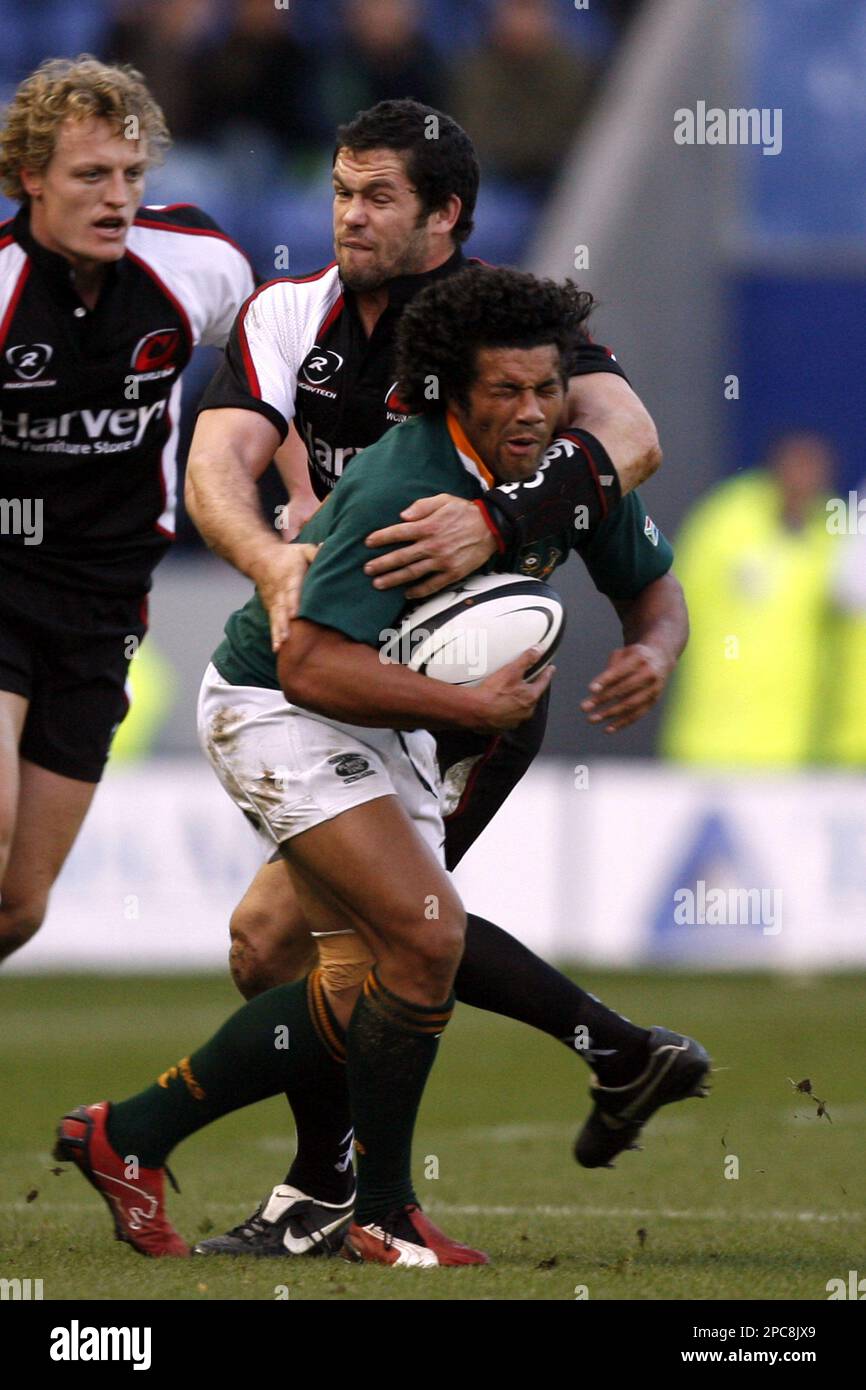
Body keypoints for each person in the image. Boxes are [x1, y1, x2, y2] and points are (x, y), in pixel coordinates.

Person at [56, 266, 710, 1267]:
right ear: (452, 389)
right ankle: (383, 1211)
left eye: (547, 391)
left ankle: (134, 1135)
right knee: (422, 937)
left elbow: (652, 590)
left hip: (394, 720)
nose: (533, 413)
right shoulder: (407, 489)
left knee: (344, 964)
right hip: (278, 707)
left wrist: (650, 652)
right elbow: (306, 663)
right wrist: (471, 706)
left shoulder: (563, 478)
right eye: (506, 392)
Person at [183, 98, 684, 1255]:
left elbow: (631, 435)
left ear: (446, 213)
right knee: (287, 946)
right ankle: (606, 1049)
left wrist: (491, 517)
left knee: (369, 937)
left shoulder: (499, 330)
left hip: (468, 702)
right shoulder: (286, 314)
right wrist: (270, 562)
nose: (348, 218)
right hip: (339, 669)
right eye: (339, 193)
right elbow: (218, 466)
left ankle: (323, 1193)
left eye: (377, 198)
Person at [0, 56, 256, 964]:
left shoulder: (198, 264)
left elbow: (272, 370)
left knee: (17, 909)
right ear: (31, 177)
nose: (117, 197)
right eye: (90, 175)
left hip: (103, 604)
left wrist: (301, 488)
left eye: (133, 175)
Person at [660, 431, 838, 766]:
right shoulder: (728, 518)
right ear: (776, 467)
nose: (805, 478)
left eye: (815, 470)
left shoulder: (827, 534)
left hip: (793, 742)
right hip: (710, 734)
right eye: (797, 465)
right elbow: (674, 594)